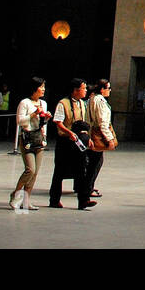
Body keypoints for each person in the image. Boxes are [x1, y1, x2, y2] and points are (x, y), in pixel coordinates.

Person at [49, 78, 95, 210]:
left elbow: (84, 123)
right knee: (59, 171)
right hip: (65, 141)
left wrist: (88, 138)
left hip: (79, 140)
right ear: (76, 90)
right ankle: (54, 199)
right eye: (83, 88)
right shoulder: (63, 103)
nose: (86, 90)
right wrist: (68, 132)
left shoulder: (82, 104)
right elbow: (58, 121)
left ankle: (83, 200)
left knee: (81, 170)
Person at [12, 77, 48, 211]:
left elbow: (42, 123)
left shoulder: (43, 103)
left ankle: (26, 200)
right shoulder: (25, 103)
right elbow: (20, 121)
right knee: (30, 169)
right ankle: (16, 194)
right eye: (41, 86)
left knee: (35, 172)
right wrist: (33, 114)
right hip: (27, 138)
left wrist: (45, 120)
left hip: (39, 138)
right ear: (34, 88)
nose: (43, 89)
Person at [86, 79, 115, 198]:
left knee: (94, 161)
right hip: (97, 133)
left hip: (92, 131)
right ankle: (88, 188)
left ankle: (88, 186)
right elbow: (102, 122)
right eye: (108, 88)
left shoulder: (93, 99)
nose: (110, 91)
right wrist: (109, 138)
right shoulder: (100, 101)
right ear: (102, 89)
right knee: (96, 162)